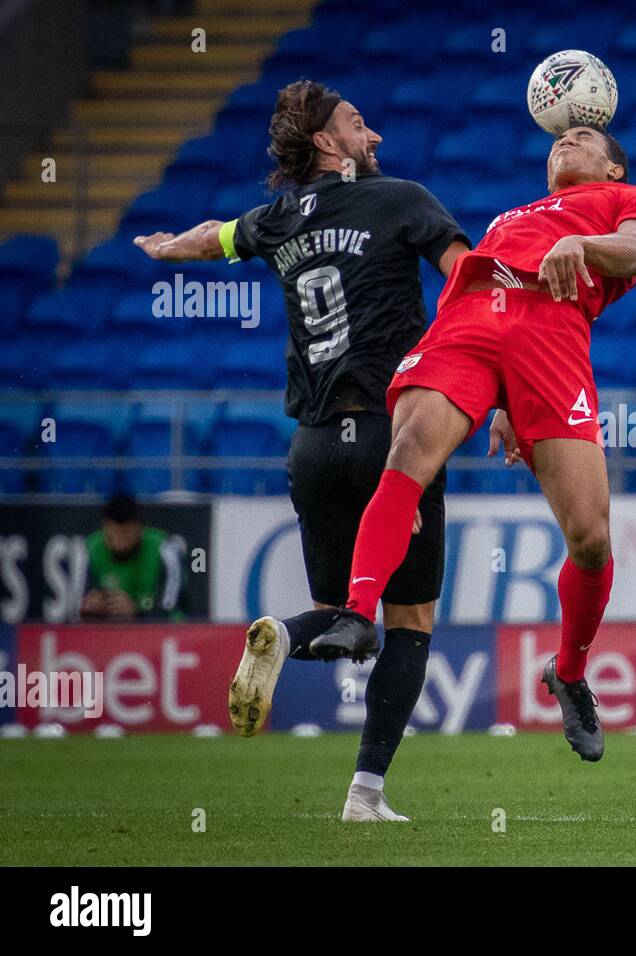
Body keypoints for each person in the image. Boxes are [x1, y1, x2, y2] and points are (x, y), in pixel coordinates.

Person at [134, 80, 470, 822]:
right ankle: (365, 795)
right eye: (358, 123)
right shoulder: (402, 200)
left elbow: (216, 236)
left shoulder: (279, 218)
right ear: (327, 142)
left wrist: (166, 250)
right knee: (408, 621)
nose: (374, 135)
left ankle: (285, 634)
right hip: (394, 437)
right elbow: (468, 283)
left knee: (342, 615)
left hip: (314, 447)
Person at [308, 122, 636, 766]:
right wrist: (500, 396)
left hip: (553, 335)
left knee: (590, 538)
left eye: (583, 137)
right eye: (561, 137)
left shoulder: (630, 202)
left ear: (616, 169)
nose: (565, 141)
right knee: (406, 459)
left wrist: (583, 246)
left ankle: (571, 672)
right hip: (473, 317)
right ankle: (358, 612)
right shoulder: (514, 213)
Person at [79, 494, 185, 621]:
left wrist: (137, 611)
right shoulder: (90, 549)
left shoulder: (164, 548)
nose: (119, 540)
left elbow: (171, 604)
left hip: (160, 632)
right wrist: (93, 607)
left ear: (140, 528)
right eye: (113, 532)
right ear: (104, 528)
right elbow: (81, 600)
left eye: (125, 533)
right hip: (110, 631)